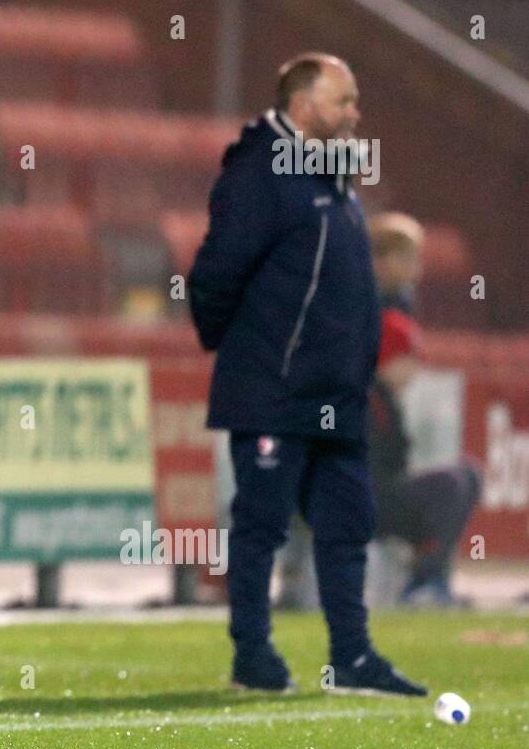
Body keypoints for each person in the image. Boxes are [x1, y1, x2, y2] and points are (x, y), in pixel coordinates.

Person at [188, 52, 426, 696]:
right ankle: (253, 656)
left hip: (335, 394)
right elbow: (215, 273)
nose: (355, 115)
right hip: (275, 387)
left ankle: (351, 656)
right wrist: (245, 351)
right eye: (343, 102)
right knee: (260, 525)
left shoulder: (332, 172)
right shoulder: (261, 169)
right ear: (302, 106)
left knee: (348, 525)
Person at [366, 212, 479, 607]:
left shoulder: (395, 309)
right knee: (456, 482)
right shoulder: (362, 380)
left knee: (462, 475)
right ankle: (424, 583)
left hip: (371, 487)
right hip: (359, 493)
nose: (418, 267)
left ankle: (428, 578)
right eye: (407, 257)